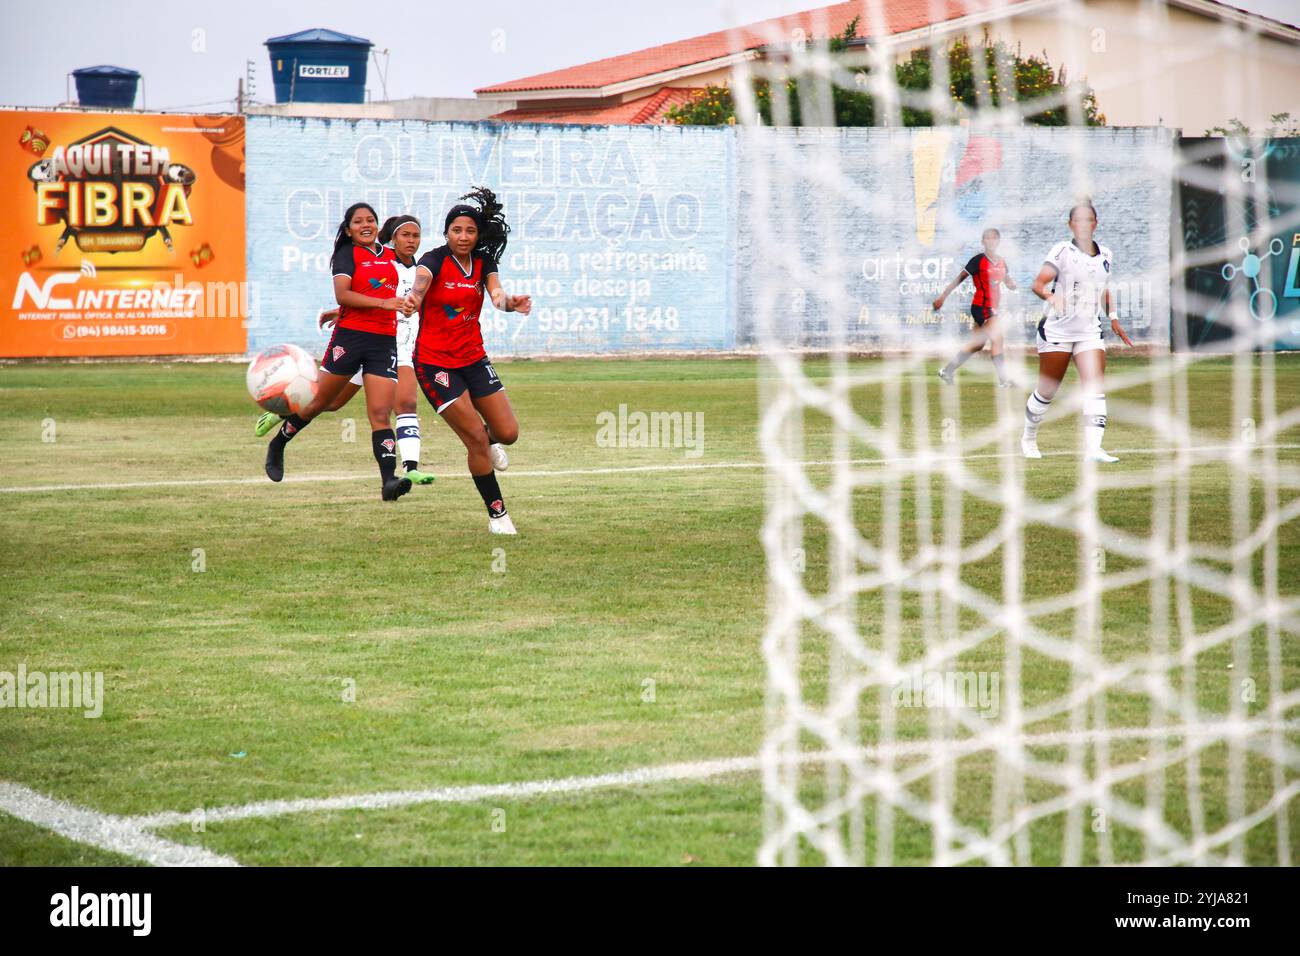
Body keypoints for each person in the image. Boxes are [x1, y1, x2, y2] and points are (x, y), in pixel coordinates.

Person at [263, 202, 413, 500]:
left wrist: (401, 304)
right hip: (351, 338)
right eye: (358, 222)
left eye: (370, 219)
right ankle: (278, 443)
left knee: (381, 413)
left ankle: (388, 482)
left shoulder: (389, 254)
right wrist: (376, 305)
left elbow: (384, 289)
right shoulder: (347, 254)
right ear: (349, 230)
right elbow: (343, 293)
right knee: (320, 402)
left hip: (384, 341)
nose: (366, 225)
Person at [406, 188, 532, 534]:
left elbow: (496, 296)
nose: (463, 236)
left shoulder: (483, 263)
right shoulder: (432, 261)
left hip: (473, 358)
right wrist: (413, 300)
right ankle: (498, 515)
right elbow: (420, 286)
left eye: (470, 231)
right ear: (446, 233)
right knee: (475, 437)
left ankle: (489, 444)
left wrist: (512, 303)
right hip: (435, 364)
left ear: (478, 235)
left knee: (508, 433)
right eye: (456, 230)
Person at [1021, 201, 1133, 463]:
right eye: (1078, 220)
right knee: (1047, 391)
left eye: (1089, 220)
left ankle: (1094, 448)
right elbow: (1038, 284)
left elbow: (1103, 288)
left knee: (1094, 386)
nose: (1084, 225)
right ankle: (1028, 437)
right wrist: (1051, 297)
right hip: (1057, 330)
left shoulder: (1106, 254)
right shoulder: (1062, 252)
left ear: (1096, 223)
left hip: (1089, 332)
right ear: (1071, 224)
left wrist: (1113, 318)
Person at [934, 227, 1017, 387]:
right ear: (983, 242)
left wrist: (1012, 284)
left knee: (977, 345)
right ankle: (1004, 381)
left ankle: (947, 371)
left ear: (998, 241)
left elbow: (1007, 281)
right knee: (998, 338)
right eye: (988, 238)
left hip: (993, 308)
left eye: (994, 238)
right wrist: (942, 297)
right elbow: (959, 279)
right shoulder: (978, 261)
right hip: (981, 307)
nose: (991, 241)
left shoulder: (1001, 262)